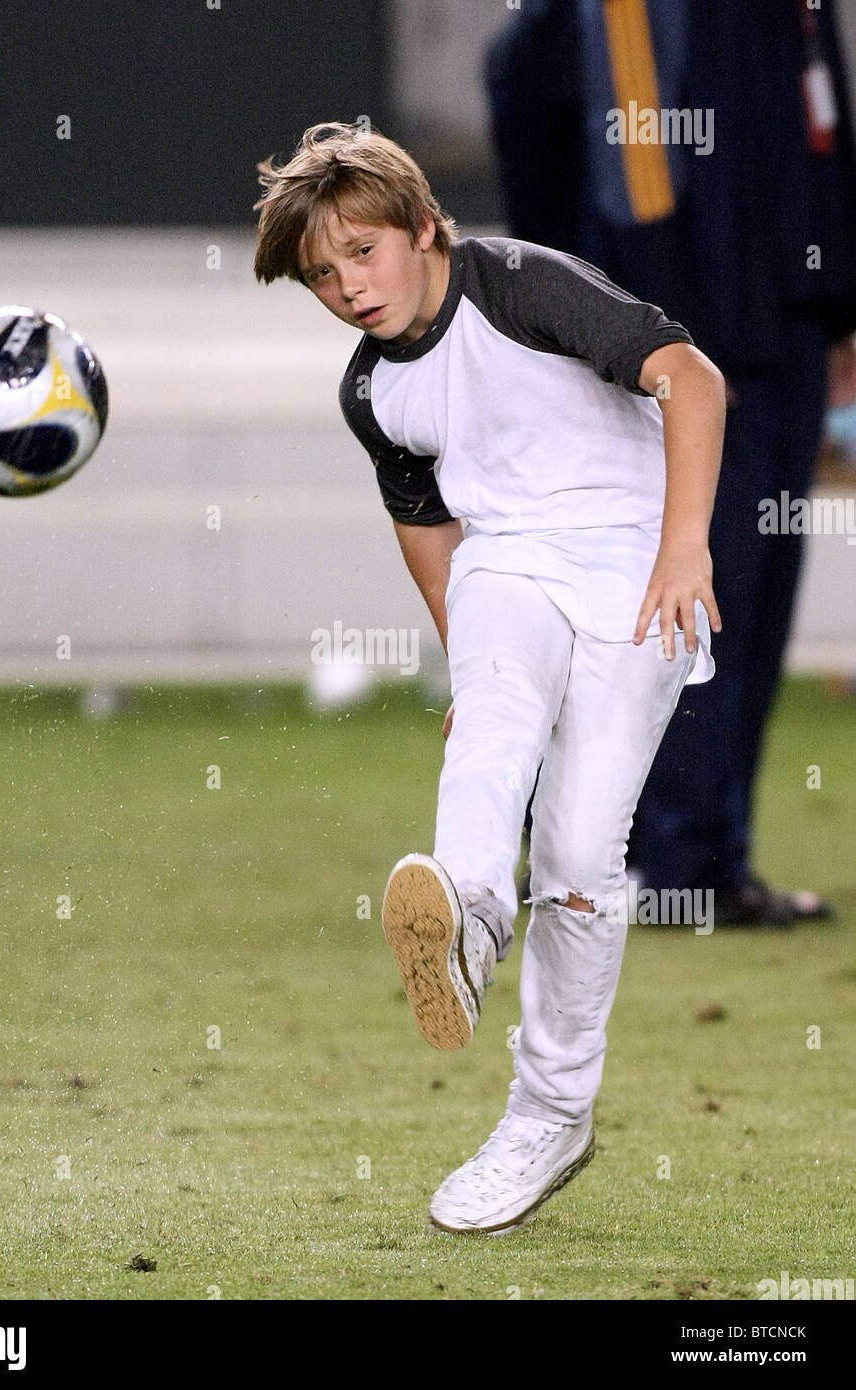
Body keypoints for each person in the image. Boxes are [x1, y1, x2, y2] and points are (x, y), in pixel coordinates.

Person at [252, 122, 726, 1235]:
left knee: (575, 854)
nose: (348, 288)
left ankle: (554, 1111)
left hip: (635, 564)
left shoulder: (521, 286)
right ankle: (462, 910)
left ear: (424, 226)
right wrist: (465, 654)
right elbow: (427, 528)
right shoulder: (372, 393)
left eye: (363, 253)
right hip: (505, 558)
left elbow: (691, 381)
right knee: (493, 717)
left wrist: (685, 545)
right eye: (322, 276)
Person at [485, 0, 856, 926]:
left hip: (787, 320)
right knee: (684, 604)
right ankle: (665, 863)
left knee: (752, 605)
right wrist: (674, 339)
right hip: (706, 335)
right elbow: (631, 157)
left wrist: (836, 307)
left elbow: (815, 126)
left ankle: (700, 857)